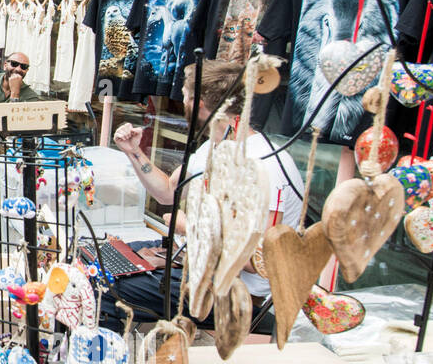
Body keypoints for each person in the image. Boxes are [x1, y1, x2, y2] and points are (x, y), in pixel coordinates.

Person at [108, 59, 302, 327]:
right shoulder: (215, 144)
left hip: (237, 293)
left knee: (105, 291)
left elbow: (262, 260)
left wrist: (194, 227)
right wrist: (133, 151)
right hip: (196, 264)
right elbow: (168, 192)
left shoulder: (265, 165)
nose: (182, 103)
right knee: (100, 259)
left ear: (197, 104)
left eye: (185, 97)